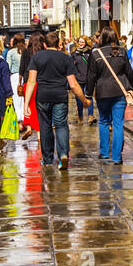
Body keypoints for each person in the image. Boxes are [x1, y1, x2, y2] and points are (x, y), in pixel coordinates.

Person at [25, 31, 89, 170]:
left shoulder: (36, 57)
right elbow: (73, 84)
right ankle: (63, 155)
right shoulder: (65, 58)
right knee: (61, 126)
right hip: (60, 96)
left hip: (42, 97)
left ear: (44, 44)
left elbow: (31, 81)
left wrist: (26, 104)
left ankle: (47, 159)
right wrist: (83, 99)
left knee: (45, 127)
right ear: (58, 44)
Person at [87, 28, 132, 165]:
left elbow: (91, 76)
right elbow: (129, 72)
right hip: (119, 92)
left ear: (102, 38)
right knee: (118, 124)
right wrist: (132, 88)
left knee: (104, 121)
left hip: (102, 92)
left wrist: (88, 94)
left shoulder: (96, 54)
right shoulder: (122, 52)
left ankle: (105, 152)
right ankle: (117, 157)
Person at [19, 33, 42, 139]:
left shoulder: (25, 51)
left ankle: (28, 128)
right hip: (38, 81)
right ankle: (38, 133)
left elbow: (22, 68)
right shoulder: (41, 52)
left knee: (28, 105)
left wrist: (20, 82)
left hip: (27, 81)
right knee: (37, 107)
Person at [71, 36, 94, 123]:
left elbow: (92, 65)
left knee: (89, 97)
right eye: (80, 42)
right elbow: (71, 66)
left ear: (86, 43)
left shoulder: (90, 52)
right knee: (79, 100)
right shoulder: (74, 53)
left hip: (88, 79)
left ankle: (90, 115)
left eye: (83, 42)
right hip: (78, 80)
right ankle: (80, 116)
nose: (81, 44)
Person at [6, 36, 26, 123]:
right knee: (24, 98)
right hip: (25, 76)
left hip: (14, 77)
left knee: (16, 98)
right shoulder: (26, 51)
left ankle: (18, 120)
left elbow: (8, 67)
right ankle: (25, 119)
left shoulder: (11, 52)